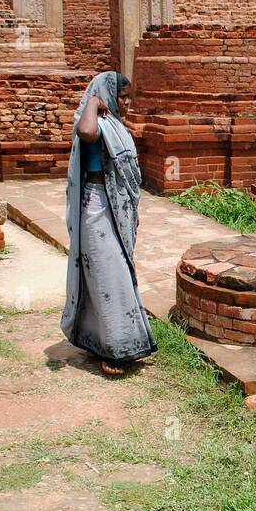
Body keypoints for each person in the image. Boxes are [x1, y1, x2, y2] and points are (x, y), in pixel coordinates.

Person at [61, 71, 157, 375]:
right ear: (104, 93)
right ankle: (116, 349)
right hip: (96, 206)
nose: (127, 103)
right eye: (122, 96)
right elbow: (85, 132)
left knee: (115, 273)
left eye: (129, 97)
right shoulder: (96, 122)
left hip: (116, 206)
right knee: (107, 274)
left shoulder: (113, 124)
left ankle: (108, 341)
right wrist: (93, 101)